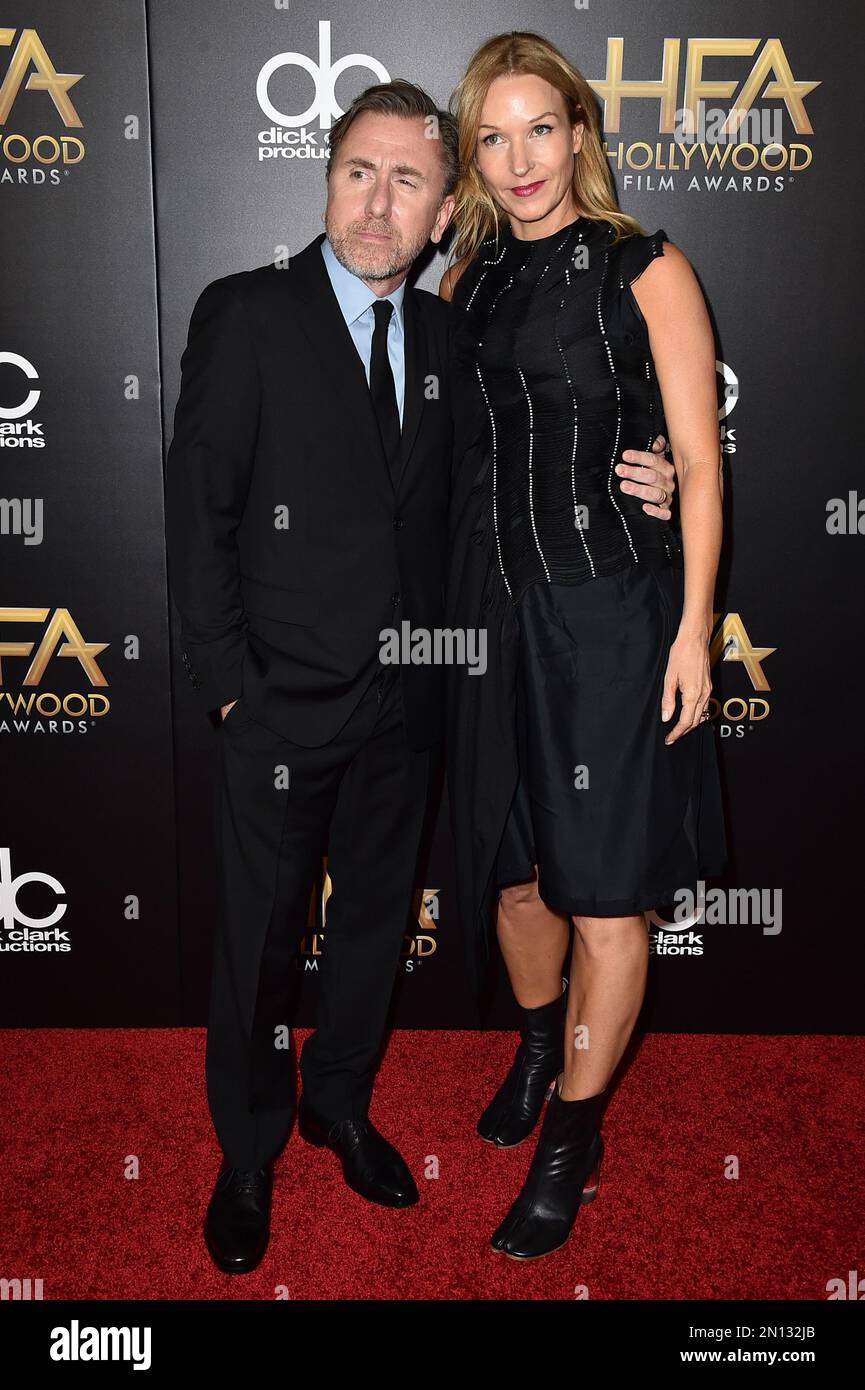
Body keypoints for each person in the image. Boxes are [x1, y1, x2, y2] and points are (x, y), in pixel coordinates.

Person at [165, 76, 678, 1276]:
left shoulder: (453, 333)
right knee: (258, 943)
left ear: (447, 209)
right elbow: (199, 514)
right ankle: (247, 1152)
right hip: (278, 702)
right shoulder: (244, 313)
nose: (378, 202)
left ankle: (337, 1105)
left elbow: (542, 456)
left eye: (408, 179)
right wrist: (231, 685)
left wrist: (647, 474)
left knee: (373, 929)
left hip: (413, 699)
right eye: (359, 171)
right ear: (326, 179)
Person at [440, 32, 728, 1261]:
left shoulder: (643, 267)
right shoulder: (468, 283)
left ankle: (572, 1139)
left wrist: (693, 629)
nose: (519, 160)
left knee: (608, 899)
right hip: (492, 616)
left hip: (609, 611)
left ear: (580, 129)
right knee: (514, 877)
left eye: (538, 129)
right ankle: (534, 1043)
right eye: (491, 138)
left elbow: (703, 467)